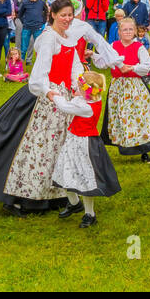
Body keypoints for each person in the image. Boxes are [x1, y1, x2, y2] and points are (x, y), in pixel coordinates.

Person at [0, 0, 121, 215]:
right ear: (52, 14)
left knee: (60, 148)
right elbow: (39, 73)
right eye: (63, 15)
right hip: (47, 96)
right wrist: (51, 93)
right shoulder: (48, 39)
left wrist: (80, 84)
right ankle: (22, 197)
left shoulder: (70, 35)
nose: (67, 19)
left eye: (70, 15)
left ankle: (59, 195)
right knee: (36, 147)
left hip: (66, 96)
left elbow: (75, 64)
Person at [51, 71, 120, 229]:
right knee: (64, 172)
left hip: (85, 145)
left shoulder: (85, 106)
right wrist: (78, 91)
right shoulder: (91, 98)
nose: (77, 88)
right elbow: (78, 95)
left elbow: (65, 107)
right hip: (73, 141)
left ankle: (90, 214)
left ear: (88, 90)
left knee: (85, 179)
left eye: (80, 86)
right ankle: (75, 204)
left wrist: (54, 95)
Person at [100, 17, 150, 163]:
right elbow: (105, 63)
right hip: (118, 87)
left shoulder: (139, 47)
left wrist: (133, 67)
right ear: (119, 32)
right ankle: (122, 142)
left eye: (130, 29)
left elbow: (146, 66)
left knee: (139, 117)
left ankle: (144, 150)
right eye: (125, 30)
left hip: (135, 88)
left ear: (135, 31)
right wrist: (95, 55)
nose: (128, 32)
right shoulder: (113, 46)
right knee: (120, 116)